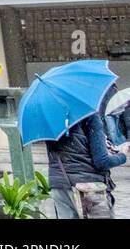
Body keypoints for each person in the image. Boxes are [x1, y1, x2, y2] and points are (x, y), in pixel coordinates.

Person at [47, 87, 129, 218]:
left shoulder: (50, 119)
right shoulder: (90, 115)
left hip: (59, 185)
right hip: (88, 186)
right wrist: (122, 155)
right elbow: (102, 161)